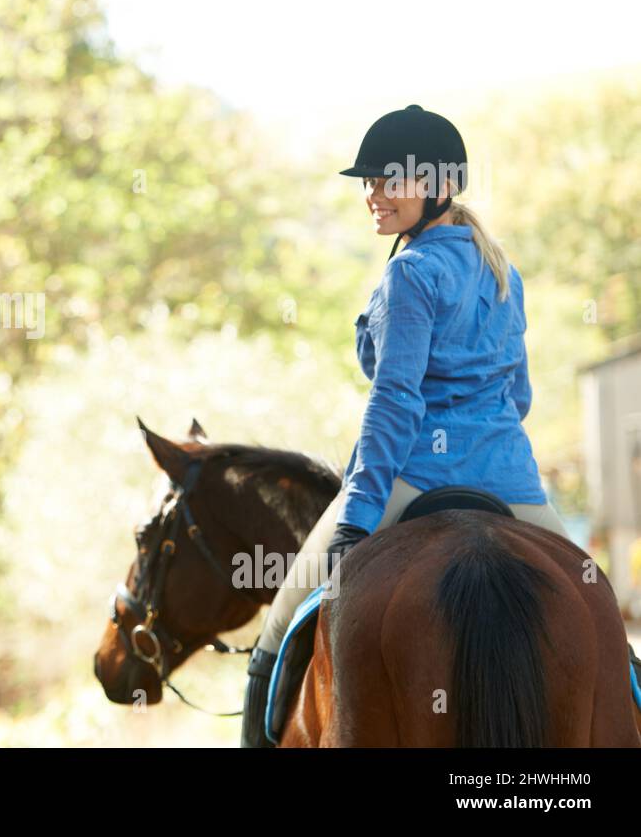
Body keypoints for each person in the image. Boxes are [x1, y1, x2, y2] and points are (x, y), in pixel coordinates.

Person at [240, 104, 594, 747]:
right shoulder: (502, 271)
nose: (372, 196)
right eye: (369, 183)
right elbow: (518, 394)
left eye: (388, 182)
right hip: (511, 480)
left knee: (277, 630)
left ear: (436, 187)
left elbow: (394, 403)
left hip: (410, 477)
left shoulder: (410, 272)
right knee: (597, 622)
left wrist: (357, 515)